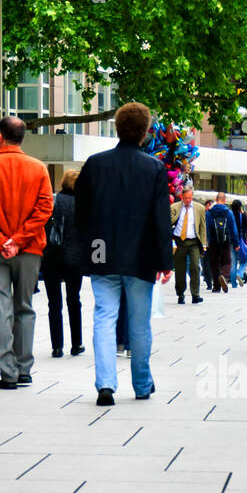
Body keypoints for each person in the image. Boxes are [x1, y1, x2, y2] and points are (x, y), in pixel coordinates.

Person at [75, 101, 172, 406]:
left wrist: (89, 245)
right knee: (139, 322)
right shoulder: (155, 168)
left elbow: (81, 213)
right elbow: (160, 219)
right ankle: (141, 383)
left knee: (104, 316)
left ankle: (105, 383)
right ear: (145, 132)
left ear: (116, 128)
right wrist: (165, 261)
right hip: (141, 254)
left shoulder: (95, 164)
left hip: (101, 251)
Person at [0, 115, 54, 389]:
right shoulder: (38, 169)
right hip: (29, 249)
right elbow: (44, 208)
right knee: (24, 307)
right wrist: (18, 240)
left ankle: (8, 371)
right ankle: (24, 368)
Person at [42, 169, 86, 358]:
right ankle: (76, 344)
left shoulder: (53, 200)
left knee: (54, 303)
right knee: (74, 300)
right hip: (75, 259)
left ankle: (57, 347)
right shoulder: (84, 204)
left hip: (52, 256)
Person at [170, 186, 207, 304]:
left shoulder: (199, 208)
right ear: (182, 197)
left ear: (192, 197)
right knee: (180, 270)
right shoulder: (174, 207)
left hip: (194, 242)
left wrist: (204, 245)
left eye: (190, 198)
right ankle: (180, 294)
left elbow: (203, 227)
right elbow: (168, 222)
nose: (188, 200)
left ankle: (195, 295)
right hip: (179, 242)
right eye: (186, 198)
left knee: (195, 267)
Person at [206, 191, 240, 293]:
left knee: (214, 262)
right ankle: (224, 276)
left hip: (213, 241)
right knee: (227, 261)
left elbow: (206, 228)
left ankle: (216, 286)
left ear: (216, 200)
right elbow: (233, 229)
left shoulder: (209, 213)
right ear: (224, 200)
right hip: (225, 241)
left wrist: (207, 242)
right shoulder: (229, 213)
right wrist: (236, 243)